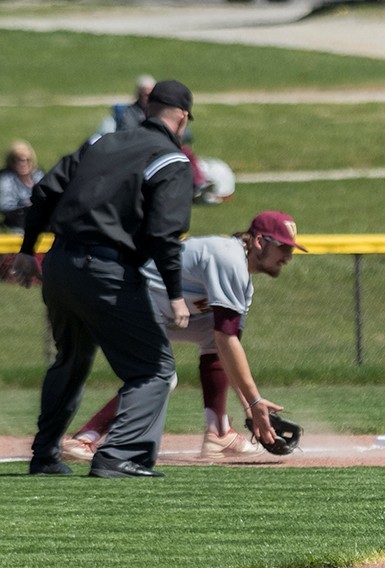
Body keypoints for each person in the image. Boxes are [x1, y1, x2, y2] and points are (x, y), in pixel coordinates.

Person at [12, 79, 278, 478]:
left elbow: (45, 192)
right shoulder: (172, 160)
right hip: (106, 269)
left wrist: (28, 251)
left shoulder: (100, 143)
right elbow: (164, 234)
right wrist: (175, 294)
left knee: (71, 361)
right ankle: (120, 455)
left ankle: (46, 455)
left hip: (60, 264)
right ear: (183, 117)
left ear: (148, 108)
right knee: (154, 368)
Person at [61, 211, 307, 462]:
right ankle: (84, 438)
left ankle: (219, 434)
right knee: (161, 375)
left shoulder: (243, 282)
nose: (289, 255)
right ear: (259, 242)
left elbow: (226, 348)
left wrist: (251, 408)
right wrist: (254, 402)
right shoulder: (229, 258)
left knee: (212, 341)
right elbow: (226, 339)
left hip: (153, 310)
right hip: (121, 300)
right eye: (283, 247)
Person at [0, 140, 44, 234]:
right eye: (17, 160)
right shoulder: (6, 179)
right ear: (10, 162)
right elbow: (6, 206)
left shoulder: (38, 176)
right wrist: (25, 207)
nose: (23, 164)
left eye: (27, 160)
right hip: (18, 222)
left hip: (40, 219)